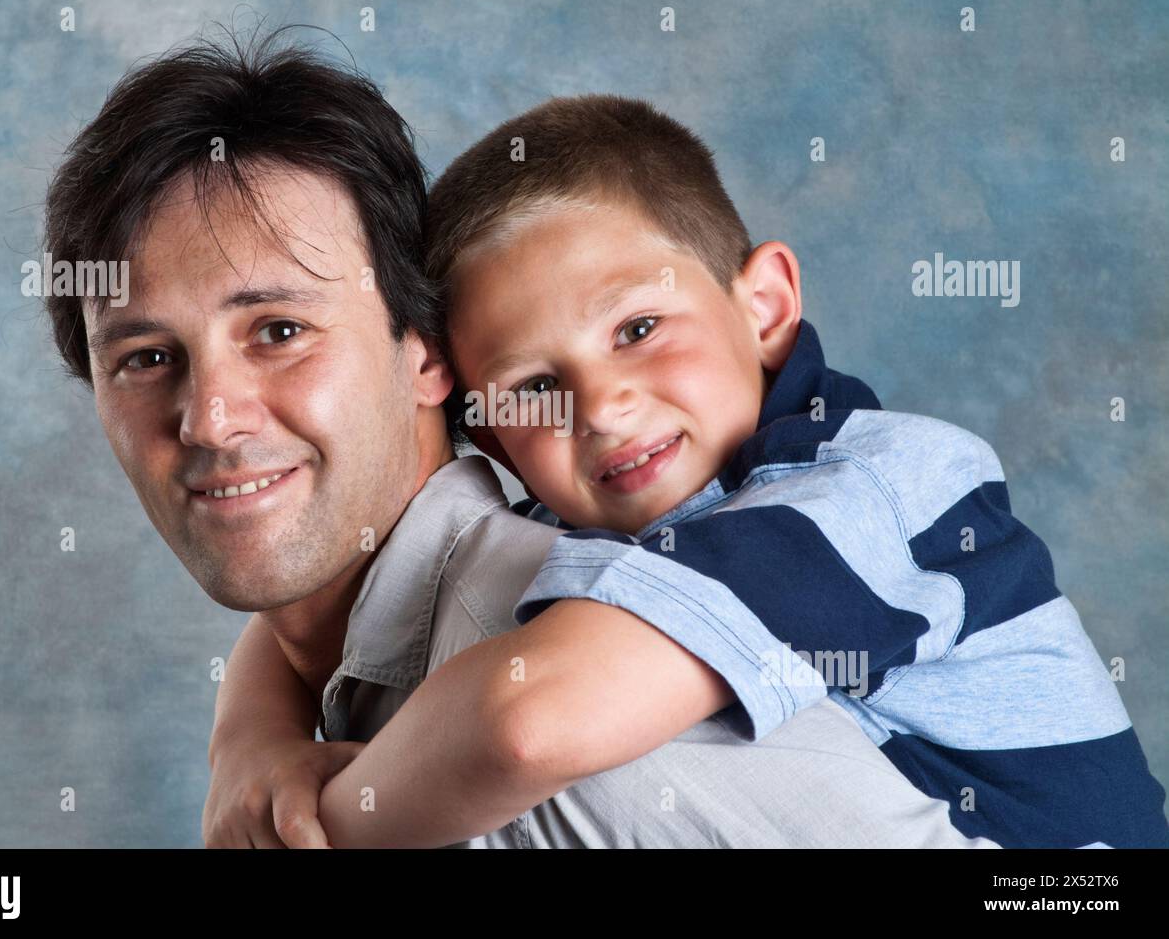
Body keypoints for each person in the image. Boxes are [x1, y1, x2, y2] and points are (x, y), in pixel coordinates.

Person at [44, 29, 996, 848]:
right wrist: (247, 738)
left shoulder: (592, 711)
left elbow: (526, 729)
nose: (212, 419)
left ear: (425, 357)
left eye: (281, 331)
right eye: (144, 357)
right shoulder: (361, 650)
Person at [260, 94, 1166, 848]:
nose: (604, 407)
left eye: (638, 329)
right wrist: (254, 749)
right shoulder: (596, 507)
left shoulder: (864, 487)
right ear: (494, 439)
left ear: (764, 307)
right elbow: (323, 608)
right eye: (535, 386)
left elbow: (527, 724)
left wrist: (324, 819)